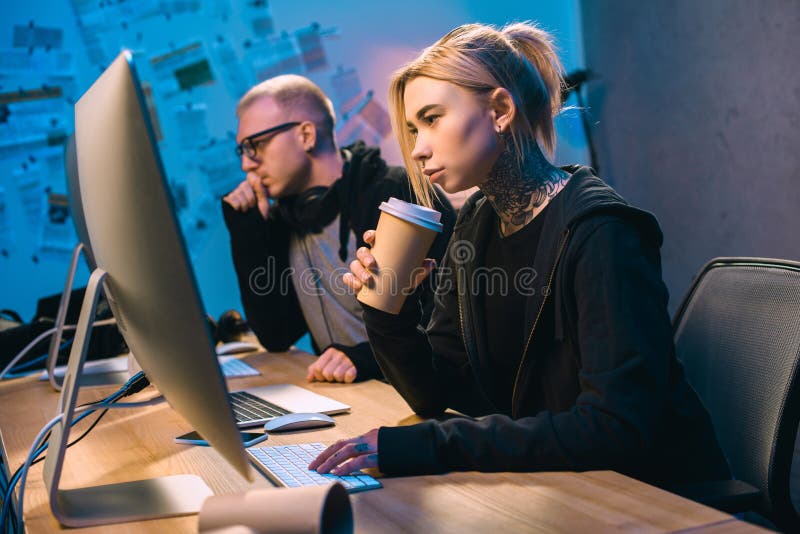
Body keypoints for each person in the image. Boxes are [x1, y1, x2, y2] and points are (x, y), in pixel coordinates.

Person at [309, 22, 731, 489]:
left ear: (500, 110)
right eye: (413, 128)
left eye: (432, 119)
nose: (418, 149)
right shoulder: (477, 221)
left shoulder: (601, 232)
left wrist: (430, 446)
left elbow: (614, 426)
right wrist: (388, 307)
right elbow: (435, 395)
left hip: (655, 494)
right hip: (561, 483)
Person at [222, 75, 454, 383]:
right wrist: (247, 228)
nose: (247, 165)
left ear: (306, 135)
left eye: (256, 145)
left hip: (418, 396)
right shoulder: (287, 217)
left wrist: (364, 357)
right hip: (349, 396)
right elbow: (276, 334)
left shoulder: (397, 194)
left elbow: (449, 327)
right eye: (243, 151)